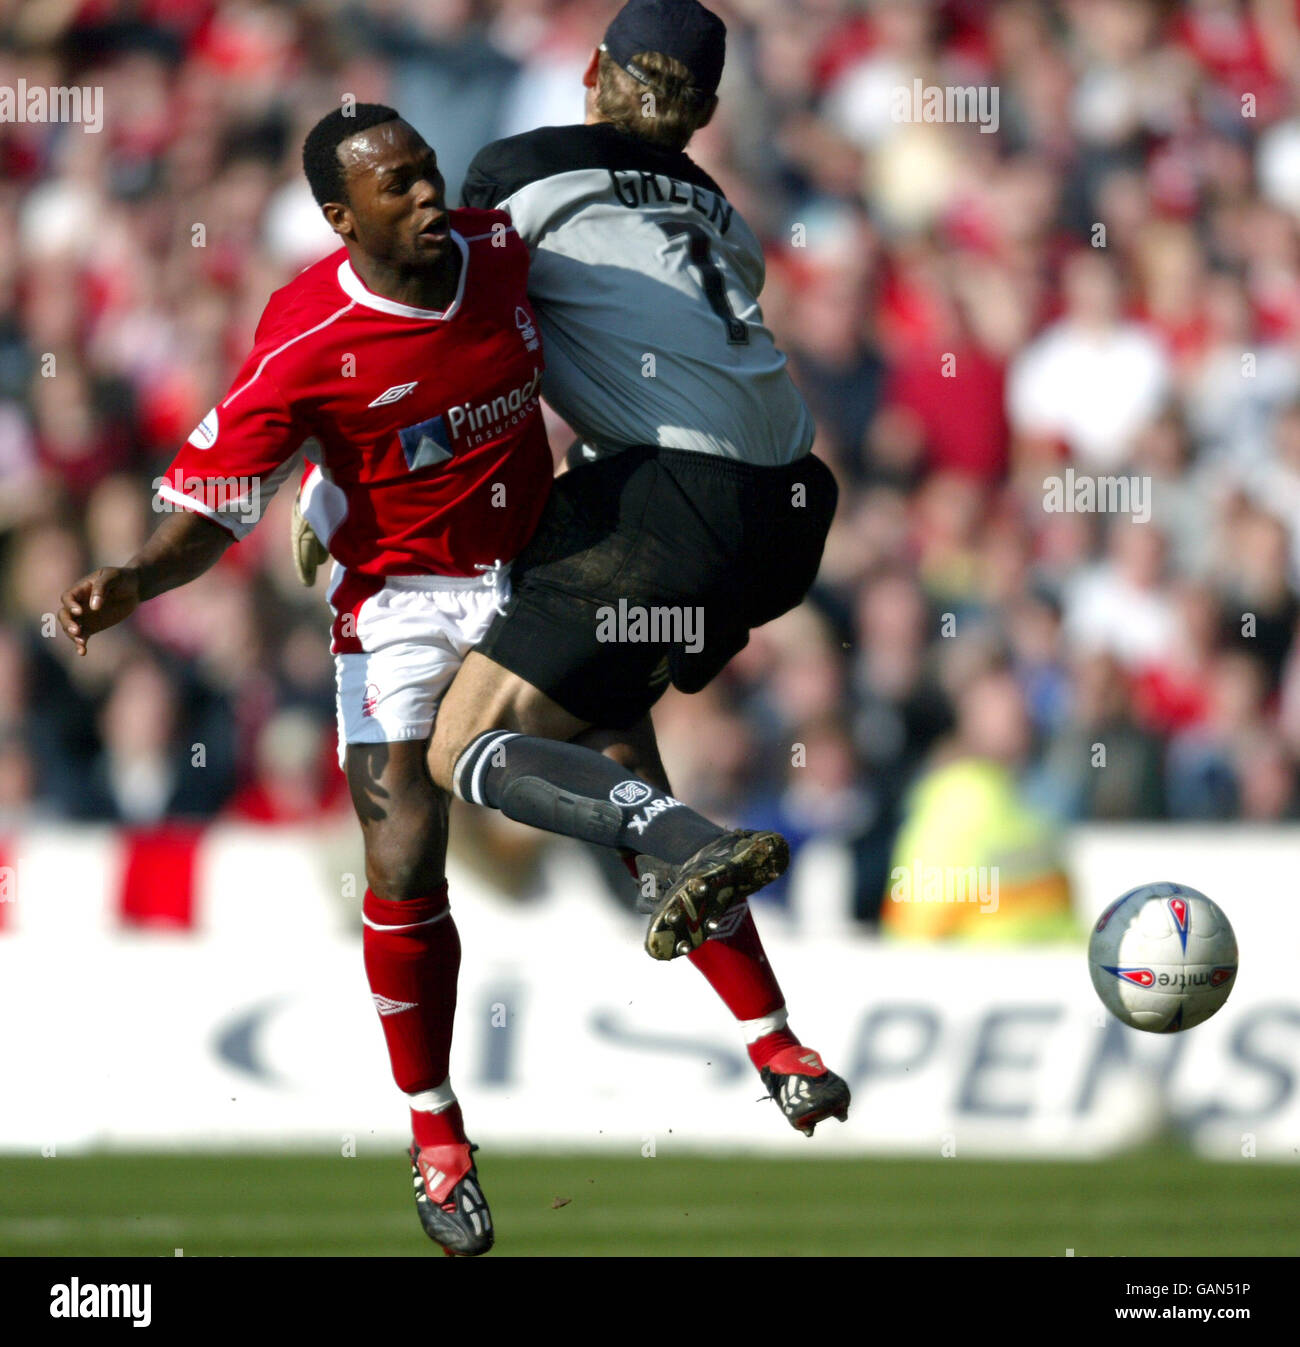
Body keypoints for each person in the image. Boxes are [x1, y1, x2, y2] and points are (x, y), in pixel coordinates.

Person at [295, 0, 850, 1162]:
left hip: (670, 499)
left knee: (457, 749)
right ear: (700, 113)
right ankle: (775, 1039)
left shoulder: (521, 170)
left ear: (592, 70)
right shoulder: (719, 209)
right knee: (601, 733)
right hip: (786, 510)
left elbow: (449, 320)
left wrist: (329, 478)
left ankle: (684, 841)